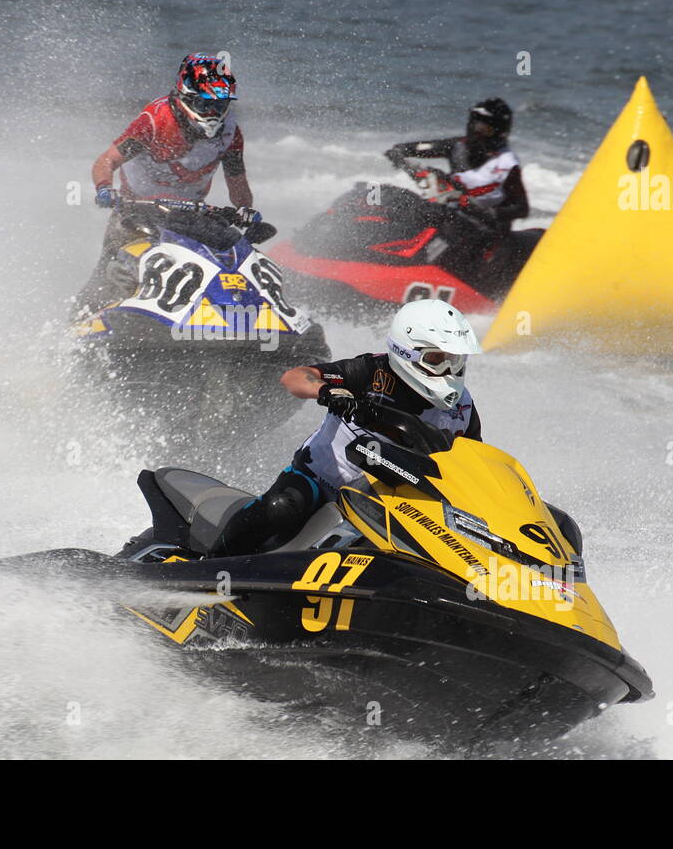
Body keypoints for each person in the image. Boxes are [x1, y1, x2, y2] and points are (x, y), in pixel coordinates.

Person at [210, 299, 484, 557]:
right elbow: (293, 378)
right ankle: (208, 562)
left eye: (456, 360)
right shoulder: (371, 372)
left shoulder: (463, 407)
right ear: (406, 352)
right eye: (437, 360)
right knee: (283, 506)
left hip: (394, 498)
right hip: (321, 480)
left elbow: (472, 462)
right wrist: (328, 392)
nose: (449, 371)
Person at [76, 53, 256, 316]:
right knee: (112, 272)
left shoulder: (230, 133)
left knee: (228, 257)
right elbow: (107, 160)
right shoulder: (154, 120)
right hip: (136, 211)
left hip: (192, 214)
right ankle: (83, 320)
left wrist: (245, 210)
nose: (213, 113)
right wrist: (104, 189)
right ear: (185, 96)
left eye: (221, 105)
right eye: (205, 104)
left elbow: (238, 182)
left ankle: (239, 314)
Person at [384, 97, 529, 230]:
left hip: (485, 230)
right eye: (473, 123)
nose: (474, 130)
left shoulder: (507, 165)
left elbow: (521, 208)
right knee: (401, 202)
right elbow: (412, 149)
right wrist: (399, 152)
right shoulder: (458, 146)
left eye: (482, 128)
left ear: (499, 132)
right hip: (450, 216)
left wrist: (487, 212)